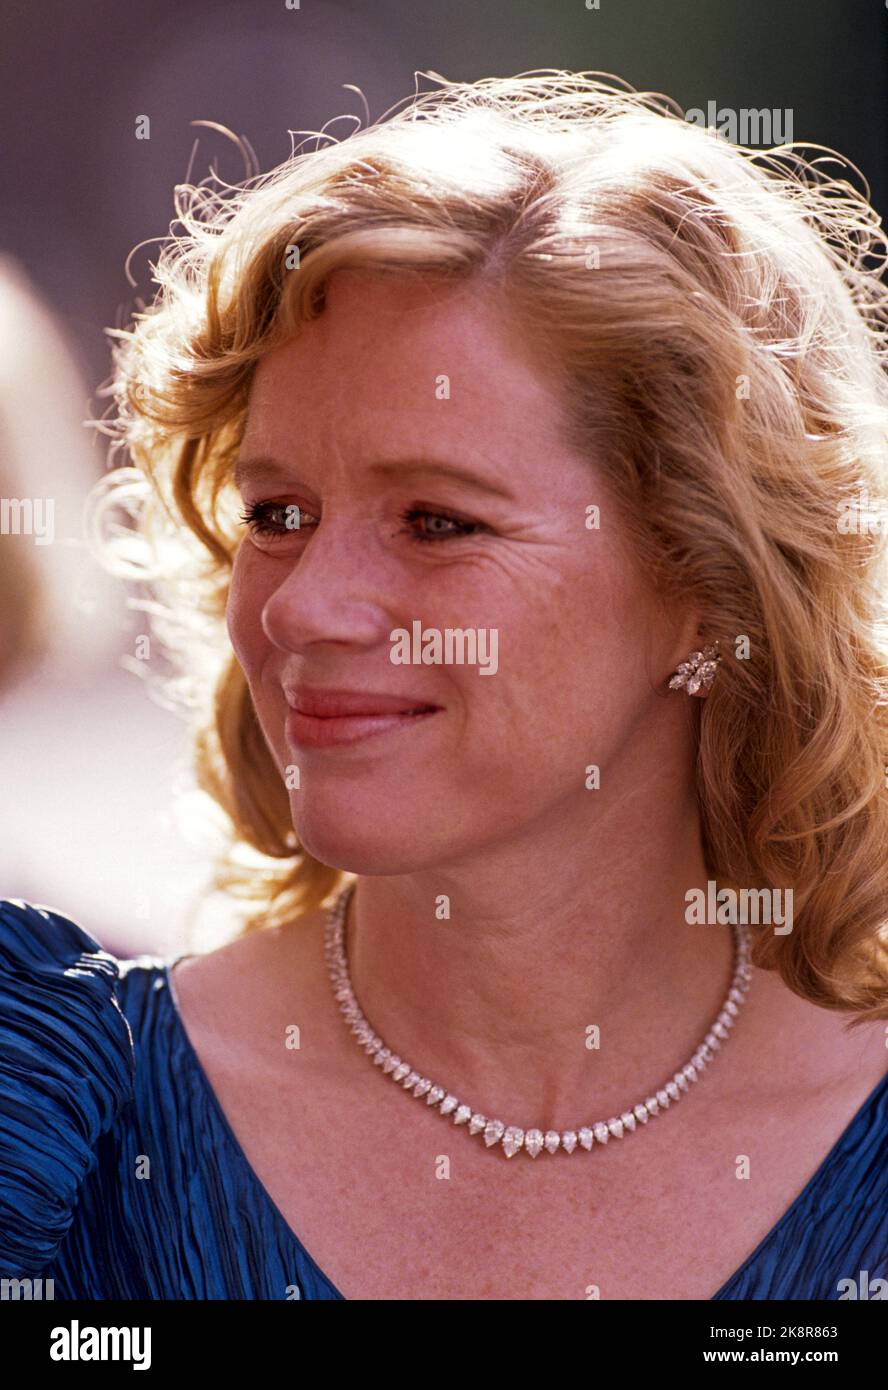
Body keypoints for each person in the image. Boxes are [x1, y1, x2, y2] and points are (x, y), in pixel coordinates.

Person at [1, 71, 886, 1301]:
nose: (304, 603)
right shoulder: (53, 1119)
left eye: (436, 520)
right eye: (279, 513)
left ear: (711, 581)